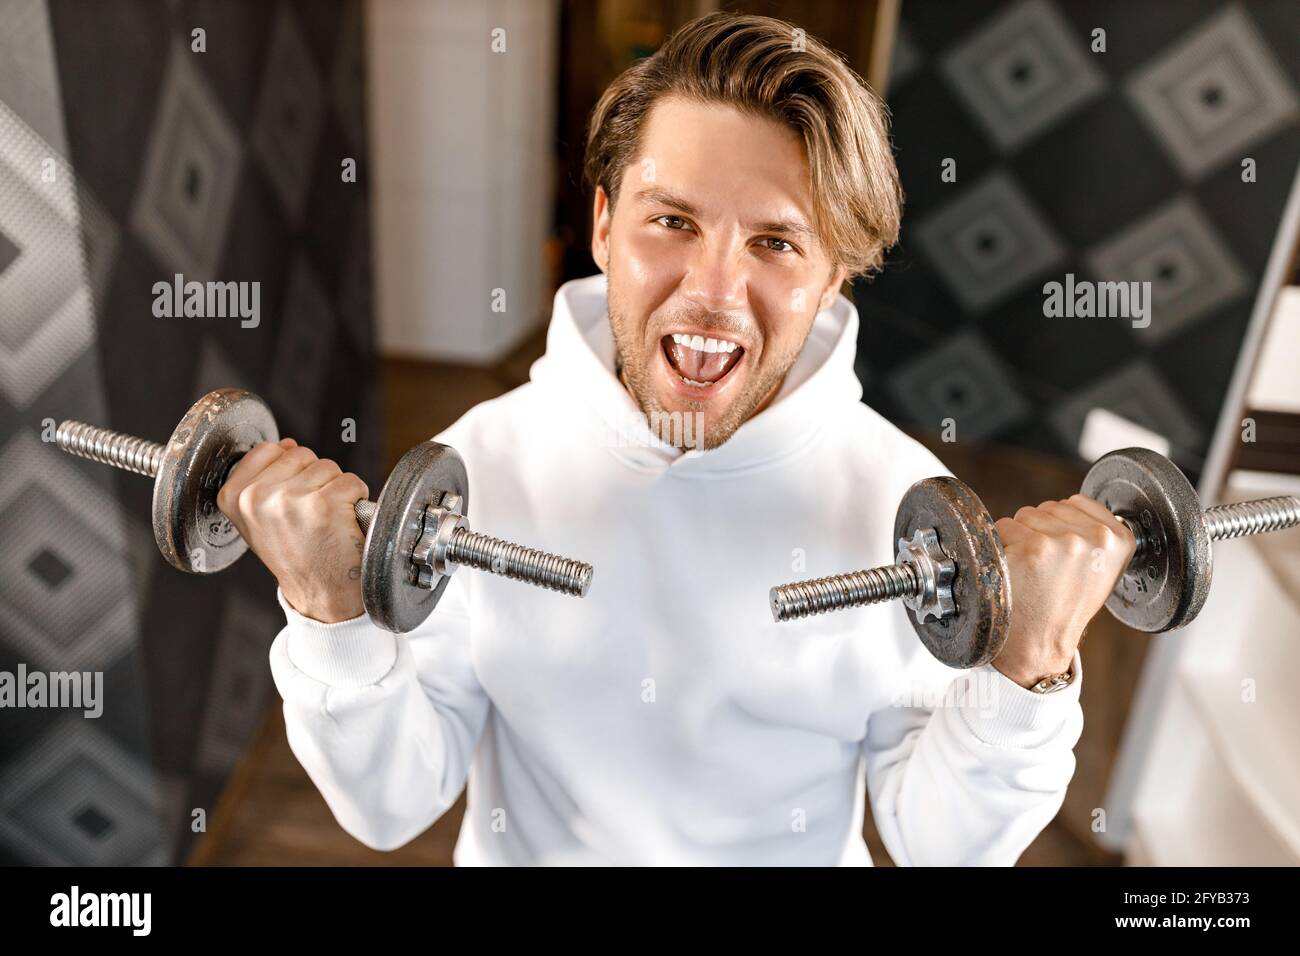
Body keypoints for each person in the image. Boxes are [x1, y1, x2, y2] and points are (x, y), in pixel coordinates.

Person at [219, 12, 1135, 865]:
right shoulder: (480, 464)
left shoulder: (911, 509)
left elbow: (941, 844)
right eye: (673, 221)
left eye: (776, 243)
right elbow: (393, 804)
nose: (712, 292)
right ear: (607, 224)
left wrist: (1028, 671)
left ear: (833, 278)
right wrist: (328, 614)